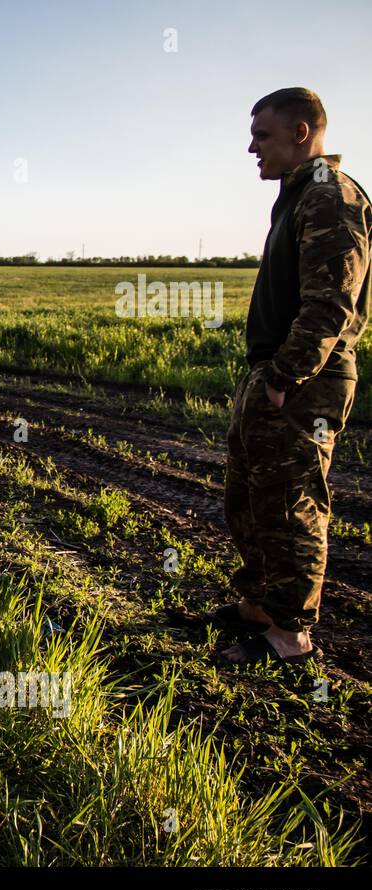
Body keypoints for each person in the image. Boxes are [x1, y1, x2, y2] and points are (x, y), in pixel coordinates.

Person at [216, 88, 370, 666]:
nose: (252, 146)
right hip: (276, 373)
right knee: (250, 498)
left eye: (262, 135)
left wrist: (285, 375)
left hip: (308, 380)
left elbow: (330, 303)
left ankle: (290, 635)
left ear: (301, 133)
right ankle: (258, 606)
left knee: (292, 503)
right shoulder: (298, 197)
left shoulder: (331, 198)